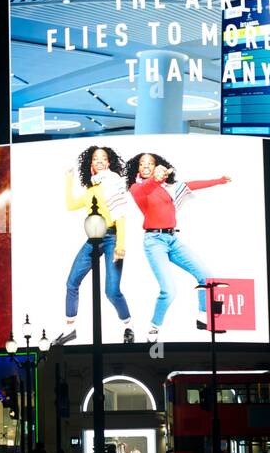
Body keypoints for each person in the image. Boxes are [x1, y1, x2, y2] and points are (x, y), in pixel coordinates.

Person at [126, 152, 231, 341]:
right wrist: (157, 178)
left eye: (151, 163)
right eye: (143, 164)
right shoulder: (137, 188)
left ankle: (203, 318)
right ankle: (154, 328)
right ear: (138, 168)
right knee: (169, 290)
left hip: (173, 239)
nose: (147, 166)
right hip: (154, 241)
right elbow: (149, 188)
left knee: (207, 277)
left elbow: (190, 185)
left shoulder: (169, 188)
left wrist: (219, 180)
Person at [64, 145, 136, 344]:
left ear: (109, 162)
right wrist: (69, 180)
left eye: (103, 158)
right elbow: (70, 205)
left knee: (112, 290)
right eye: (96, 159)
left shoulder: (113, 183)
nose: (100, 161)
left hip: (112, 237)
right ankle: (70, 329)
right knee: (71, 283)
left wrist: (120, 244)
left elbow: (120, 215)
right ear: (91, 165)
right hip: (93, 238)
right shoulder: (91, 189)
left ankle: (128, 326)